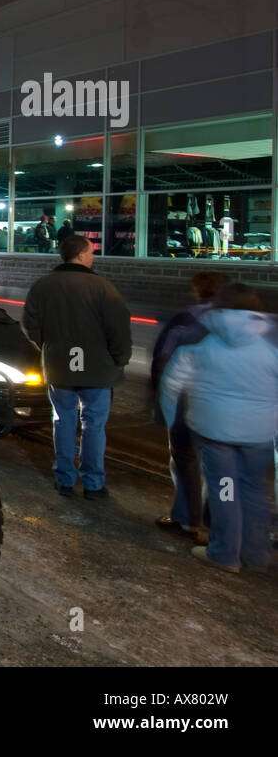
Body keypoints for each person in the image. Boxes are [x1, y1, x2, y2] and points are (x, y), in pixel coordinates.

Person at [158, 283, 278, 573]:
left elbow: (172, 384)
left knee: (225, 490)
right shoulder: (271, 344)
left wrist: (169, 417)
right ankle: (257, 552)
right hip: (259, 433)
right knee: (254, 490)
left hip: (215, 433)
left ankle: (225, 553)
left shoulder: (199, 338)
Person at [23, 234, 132, 499]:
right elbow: (118, 329)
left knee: (63, 421)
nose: (94, 256)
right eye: (92, 252)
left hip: (60, 366)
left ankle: (65, 480)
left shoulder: (43, 286)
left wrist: (50, 348)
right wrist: (119, 359)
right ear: (81, 255)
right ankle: (93, 484)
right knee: (94, 425)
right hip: (97, 369)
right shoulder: (103, 288)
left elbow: (31, 324)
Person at [149, 271, 228, 537]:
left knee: (185, 461)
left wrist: (161, 400)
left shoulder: (184, 322)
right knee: (220, 465)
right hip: (225, 405)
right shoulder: (238, 325)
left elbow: (163, 360)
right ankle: (217, 518)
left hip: (187, 402)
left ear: (197, 291)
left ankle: (187, 518)